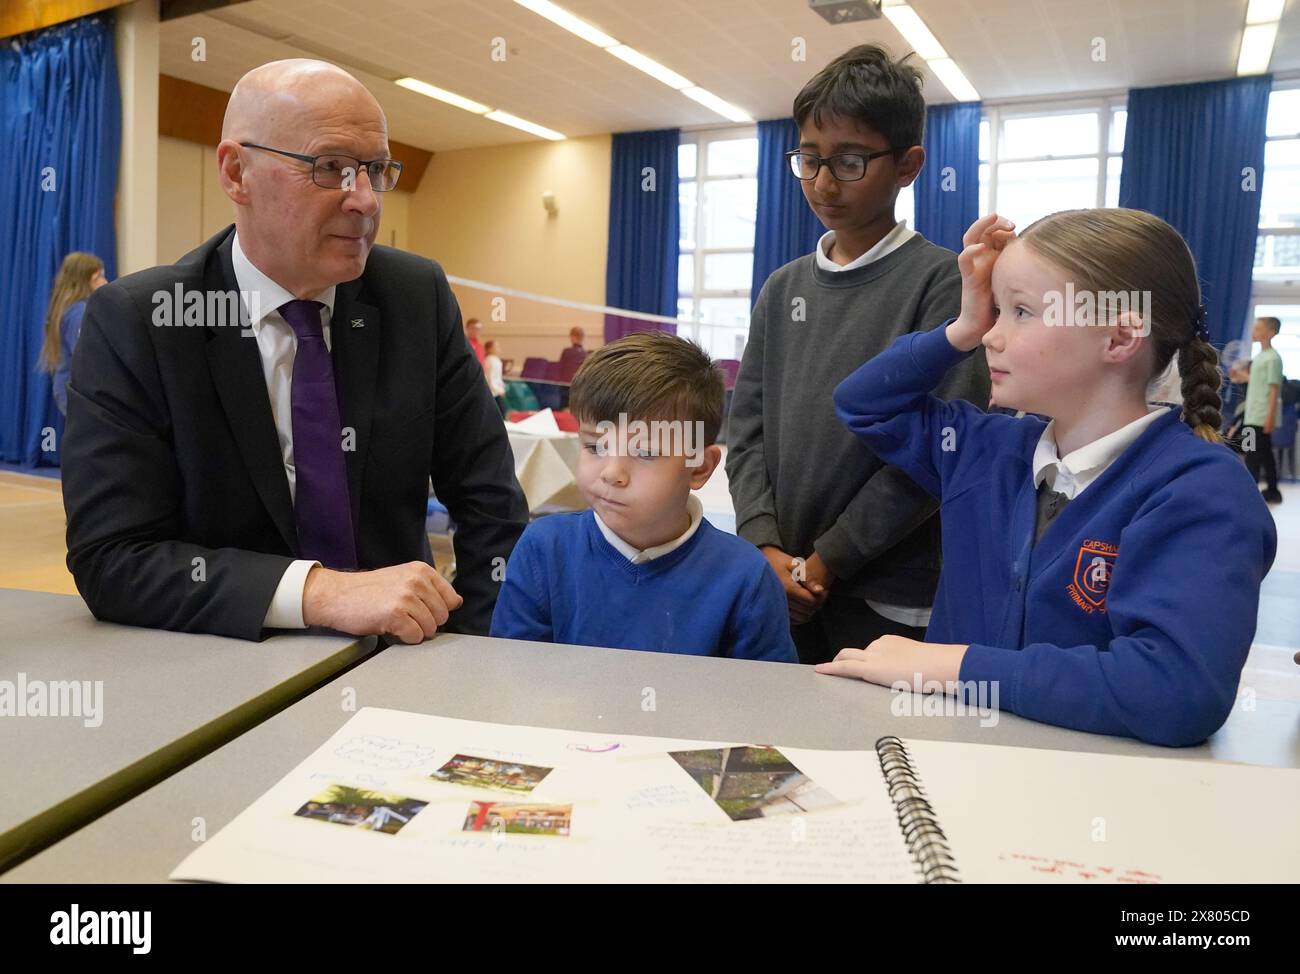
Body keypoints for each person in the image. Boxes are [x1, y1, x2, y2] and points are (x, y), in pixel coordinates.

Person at [62, 58, 527, 643]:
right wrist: (320, 593)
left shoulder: (416, 298)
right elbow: (113, 558)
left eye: (376, 170)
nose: (366, 201)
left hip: (406, 660)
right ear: (237, 173)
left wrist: (475, 649)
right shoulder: (143, 322)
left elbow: (491, 506)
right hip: (224, 663)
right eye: (331, 168)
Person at [822, 210, 1277, 747]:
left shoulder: (1200, 489)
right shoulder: (985, 447)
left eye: (1021, 312)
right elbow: (863, 405)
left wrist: (953, 667)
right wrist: (960, 328)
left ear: (1119, 336)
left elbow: (1176, 690)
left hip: (1085, 798)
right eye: (995, 310)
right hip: (955, 763)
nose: (992, 335)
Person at [726, 44, 990, 665]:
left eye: (849, 161)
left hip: (889, 594)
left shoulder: (944, 283)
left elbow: (936, 451)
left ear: (908, 165)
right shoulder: (783, 287)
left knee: (886, 754)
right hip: (779, 576)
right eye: (809, 160)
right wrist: (761, 542)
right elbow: (747, 430)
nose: (822, 182)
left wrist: (830, 559)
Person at [491, 331, 796, 662]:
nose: (611, 473)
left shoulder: (746, 577)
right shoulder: (543, 551)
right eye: (595, 446)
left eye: (645, 452)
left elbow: (765, 702)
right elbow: (514, 679)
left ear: (699, 467)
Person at [37, 252, 107, 415]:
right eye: (101, 276)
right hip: (79, 394)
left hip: (69, 390)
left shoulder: (68, 309)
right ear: (90, 279)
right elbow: (86, 357)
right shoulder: (80, 313)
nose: (106, 282)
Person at [1242, 316, 1284, 503]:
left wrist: (1270, 416)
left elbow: (1274, 389)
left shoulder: (1273, 358)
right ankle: (1273, 490)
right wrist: (1243, 377)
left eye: (1258, 328)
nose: (1254, 331)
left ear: (1271, 332)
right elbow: (1258, 384)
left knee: (1252, 454)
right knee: (1264, 454)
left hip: (1260, 416)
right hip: (1251, 414)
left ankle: (1249, 492)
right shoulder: (1260, 357)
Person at [483, 339, 507, 417]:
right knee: (499, 413)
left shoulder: (496, 359)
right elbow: (489, 378)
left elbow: (498, 377)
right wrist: (498, 390)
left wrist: (502, 388)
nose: (498, 348)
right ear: (490, 349)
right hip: (493, 392)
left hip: (497, 391)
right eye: (496, 346)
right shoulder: (489, 360)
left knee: (502, 412)